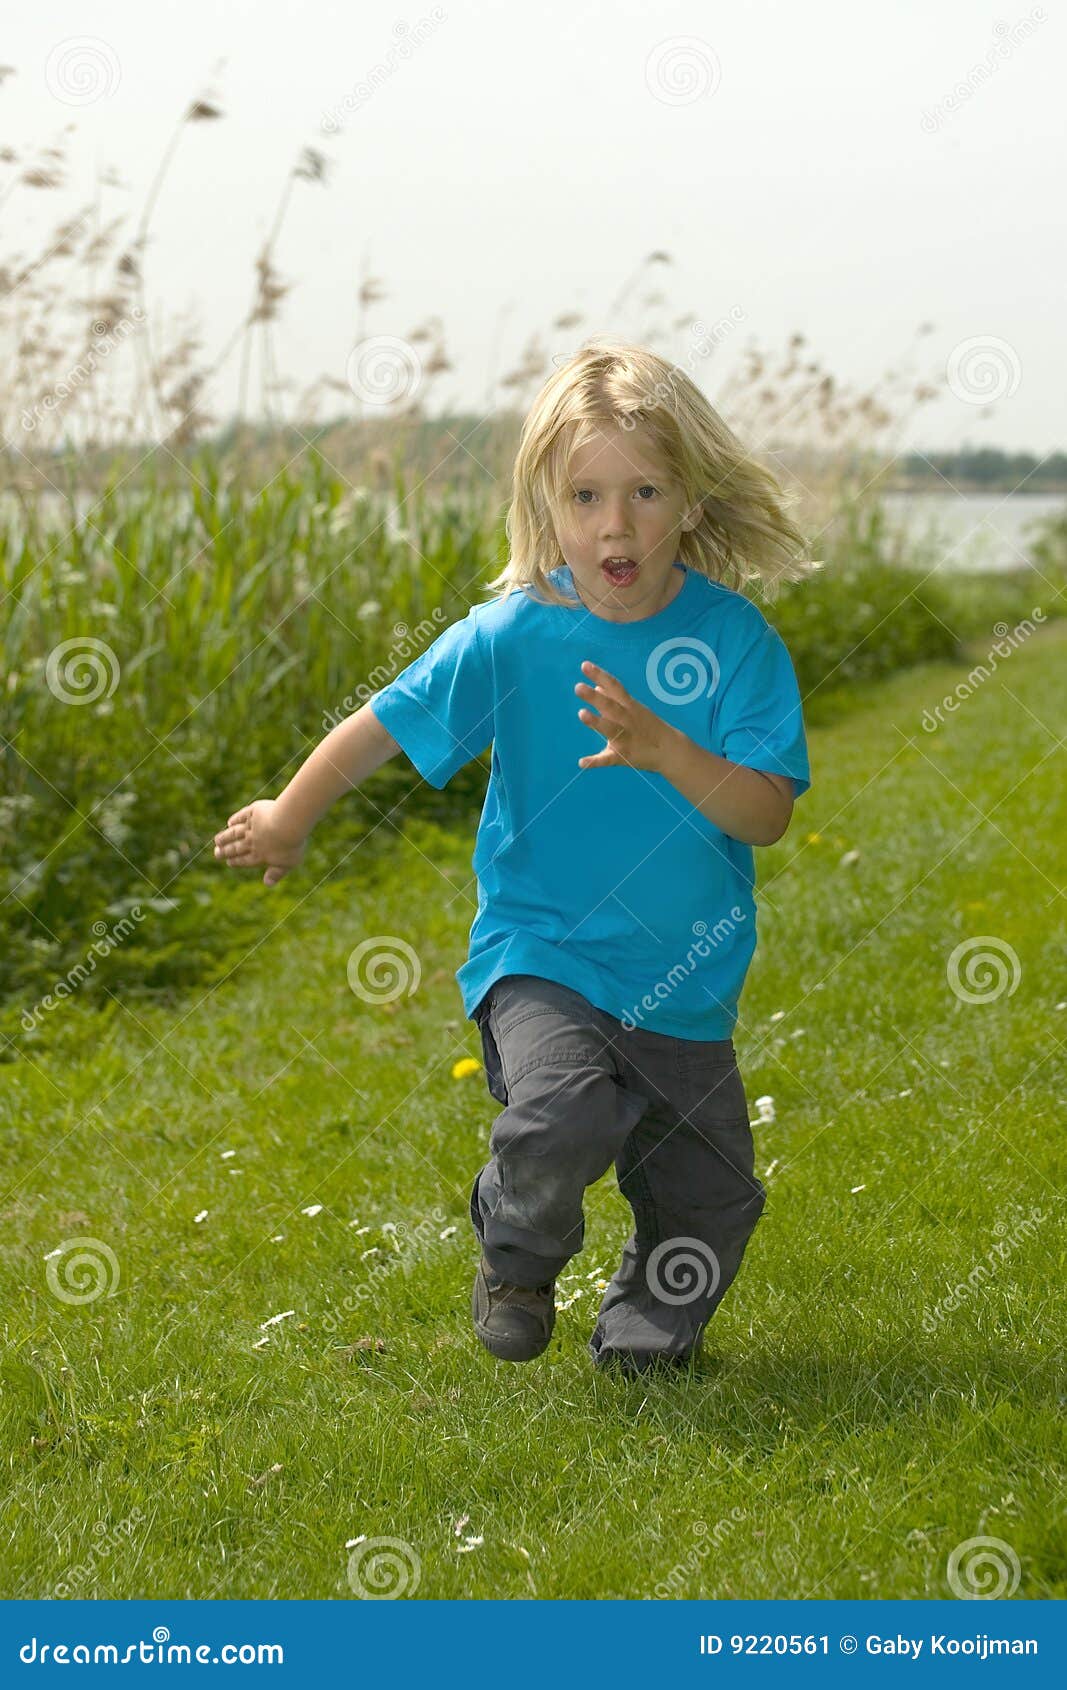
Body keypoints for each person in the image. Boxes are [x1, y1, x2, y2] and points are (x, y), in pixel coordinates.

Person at [213, 338, 820, 1377]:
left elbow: (763, 814)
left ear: (688, 499)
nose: (613, 523)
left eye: (642, 491)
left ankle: (641, 1341)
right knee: (564, 1104)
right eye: (584, 494)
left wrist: (668, 750)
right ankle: (516, 1249)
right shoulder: (513, 632)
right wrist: (291, 812)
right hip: (541, 955)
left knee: (710, 1194)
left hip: (681, 987)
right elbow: (386, 720)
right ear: (547, 501)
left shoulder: (735, 643)